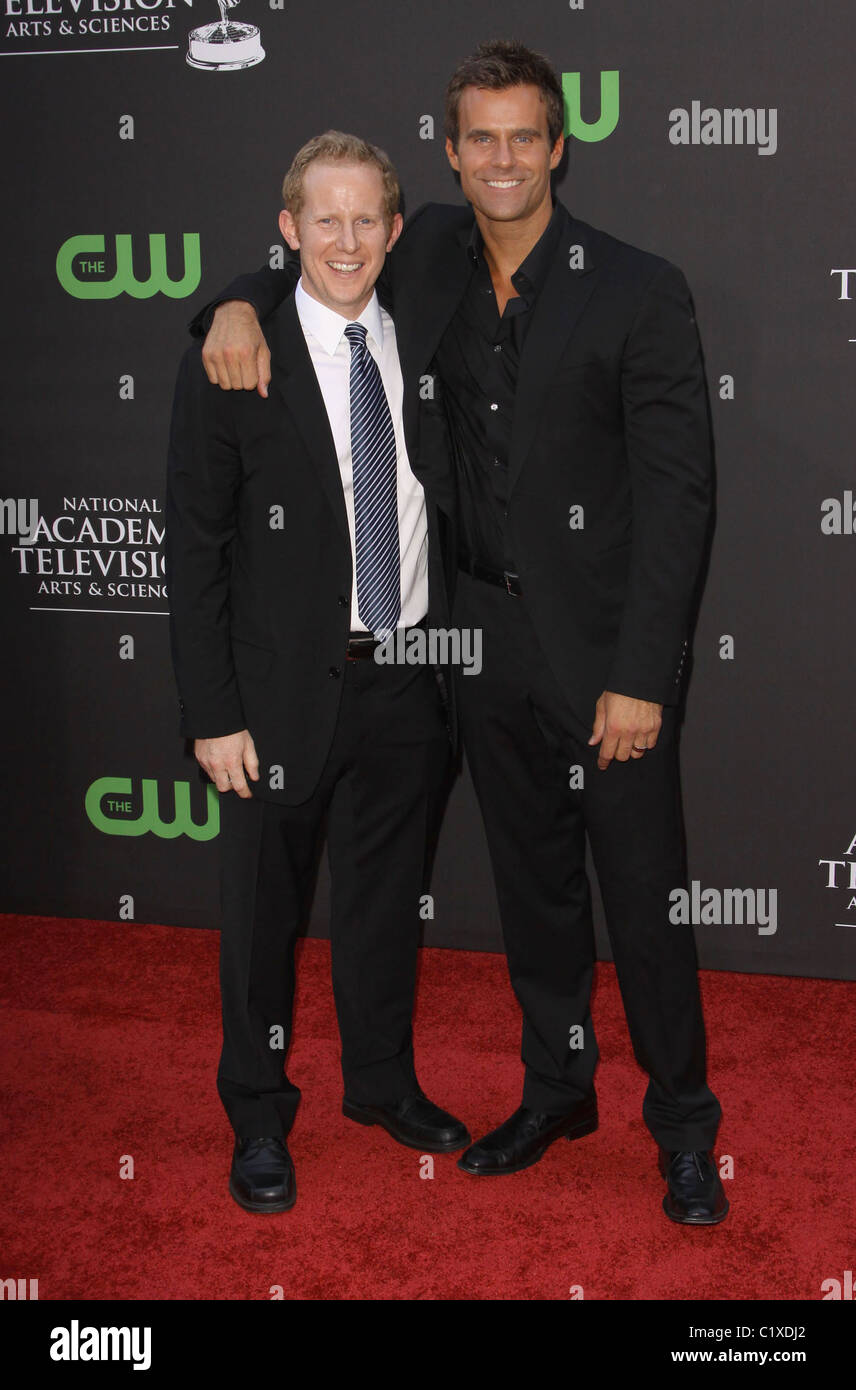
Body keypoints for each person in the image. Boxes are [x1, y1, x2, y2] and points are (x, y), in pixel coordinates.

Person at [194, 41, 728, 1225]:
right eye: (477, 138)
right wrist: (225, 301)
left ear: (557, 146)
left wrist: (643, 676)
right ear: (450, 153)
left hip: (603, 661)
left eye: (522, 136)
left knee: (643, 902)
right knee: (537, 896)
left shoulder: (638, 287)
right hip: (471, 646)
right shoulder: (424, 249)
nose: (500, 158)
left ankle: (684, 1126)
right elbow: (314, 254)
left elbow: (681, 497)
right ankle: (558, 1089)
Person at [166, 131, 469, 1215]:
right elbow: (193, 546)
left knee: (386, 905)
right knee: (261, 918)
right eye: (322, 220)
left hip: (407, 679)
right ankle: (256, 1111)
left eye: (365, 220)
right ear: (289, 229)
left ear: (396, 230)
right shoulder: (233, 353)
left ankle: (380, 1085)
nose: (346, 240)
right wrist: (213, 713)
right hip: (276, 692)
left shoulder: (428, 325)